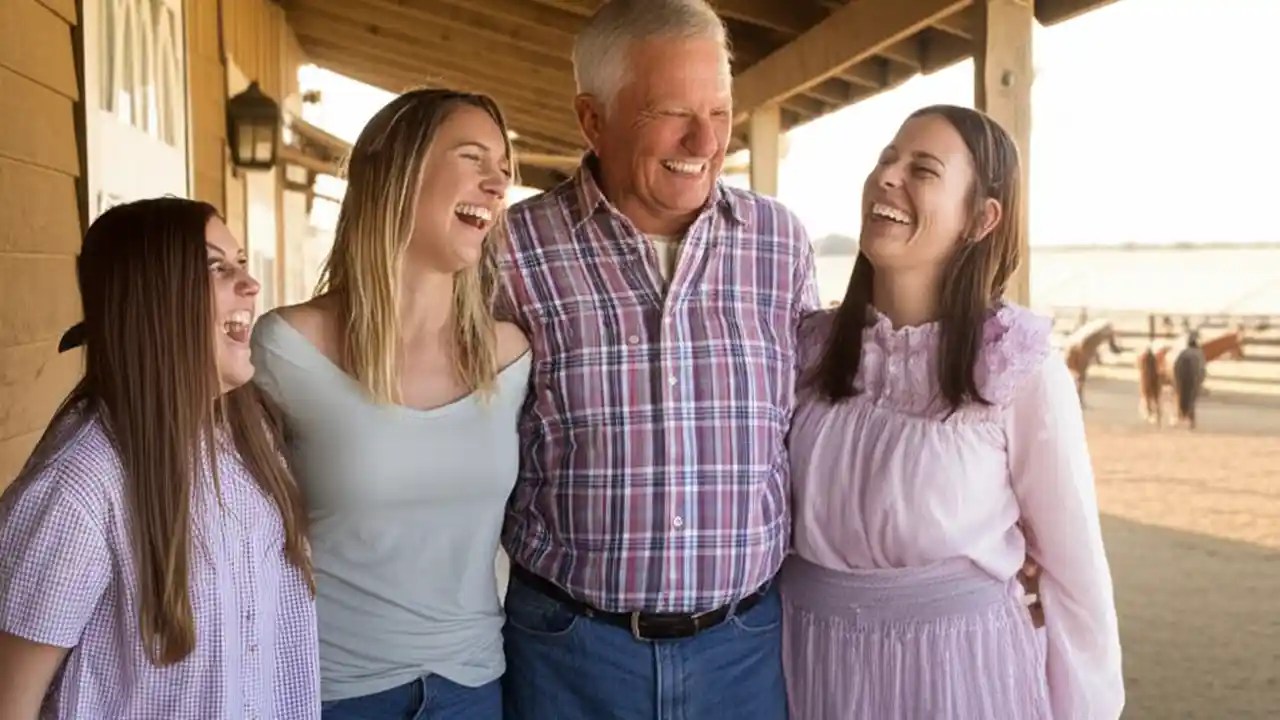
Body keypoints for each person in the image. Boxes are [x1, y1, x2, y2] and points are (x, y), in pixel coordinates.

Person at [495, 1, 817, 717]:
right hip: (568, 656)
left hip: (743, 654)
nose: (705, 140)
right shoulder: (513, 249)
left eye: (720, 112)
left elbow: (822, 421)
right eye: (673, 113)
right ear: (592, 119)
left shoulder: (780, 243)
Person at [781, 105, 1125, 719]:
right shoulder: (809, 351)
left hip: (958, 677)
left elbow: (1077, 579)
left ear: (980, 218)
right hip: (809, 664)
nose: (887, 177)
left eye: (923, 169)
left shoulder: (1014, 367)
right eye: (886, 159)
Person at [249, 88, 529, 720]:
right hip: (329, 691)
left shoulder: (510, 359)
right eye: (473, 158)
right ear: (398, 173)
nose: (497, 185)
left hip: (471, 689)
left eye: (503, 170)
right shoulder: (287, 348)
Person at [0, 197, 318, 719]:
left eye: (241, 262)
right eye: (217, 268)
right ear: (157, 301)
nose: (250, 284)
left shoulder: (246, 435)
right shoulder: (82, 486)